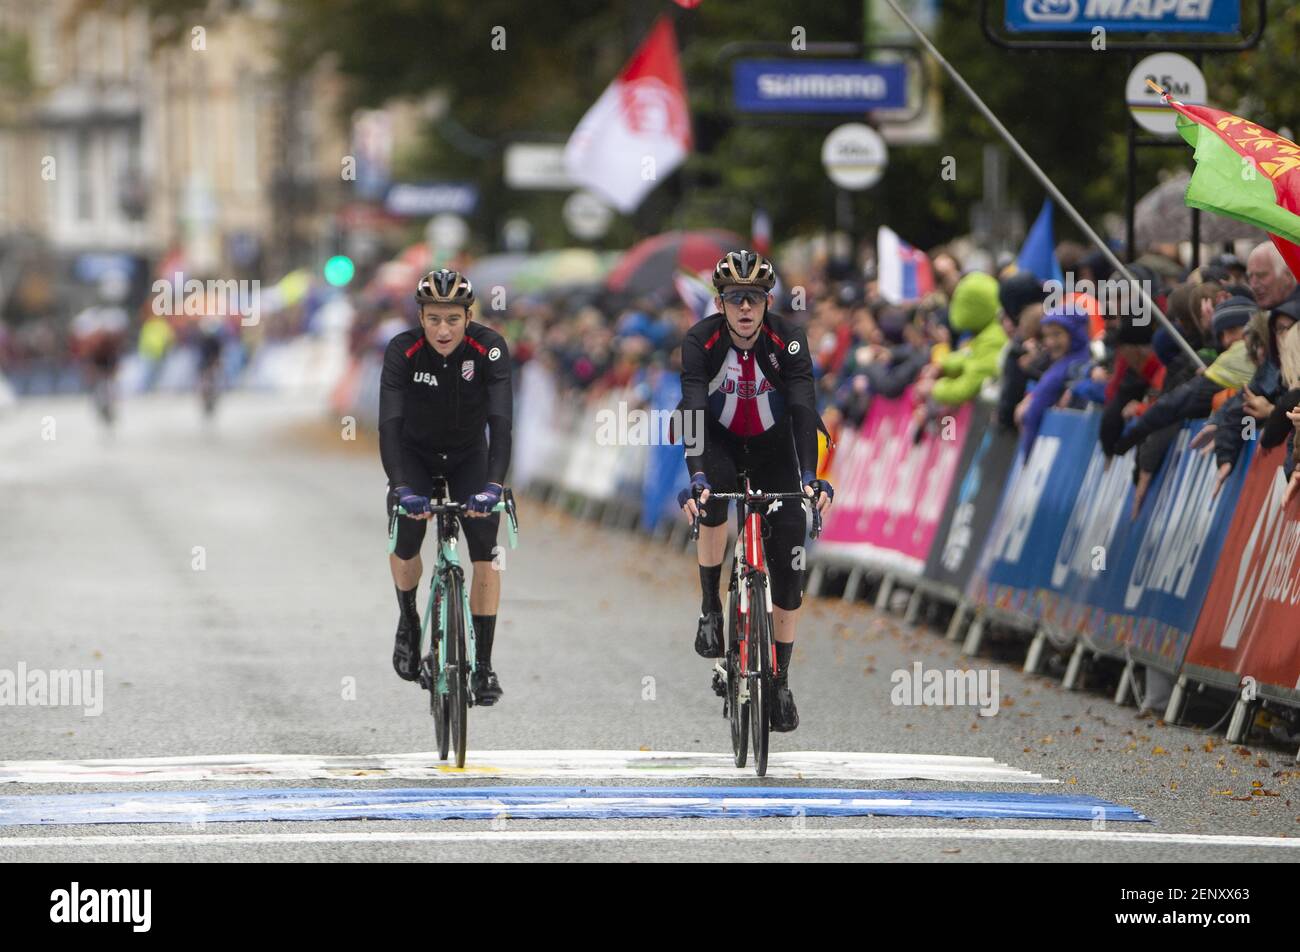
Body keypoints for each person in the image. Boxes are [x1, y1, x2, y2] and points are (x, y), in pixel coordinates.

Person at [675, 250, 834, 733]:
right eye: (735, 298)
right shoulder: (700, 341)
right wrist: (697, 477)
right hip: (719, 442)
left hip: (774, 447)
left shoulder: (788, 340)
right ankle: (709, 607)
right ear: (720, 303)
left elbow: (805, 408)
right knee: (713, 502)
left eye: (755, 299)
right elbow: (694, 411)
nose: (745, 308)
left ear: (768, 302)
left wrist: (810, 476)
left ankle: (780, 681)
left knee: (788, 559)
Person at [378, 269, 513, 705]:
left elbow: (502, 423)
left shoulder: (489, 348)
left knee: (487, 554)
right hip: (414, 454)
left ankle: (485, 665)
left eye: (452, 320)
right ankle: (409, 621)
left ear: (468, 316)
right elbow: (389, 425)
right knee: (407, 539)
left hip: (468, 455)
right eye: (433, 318)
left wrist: (494, 485)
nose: (442, 329)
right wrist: (400, 487)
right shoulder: (402, 350)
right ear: (420, 316)